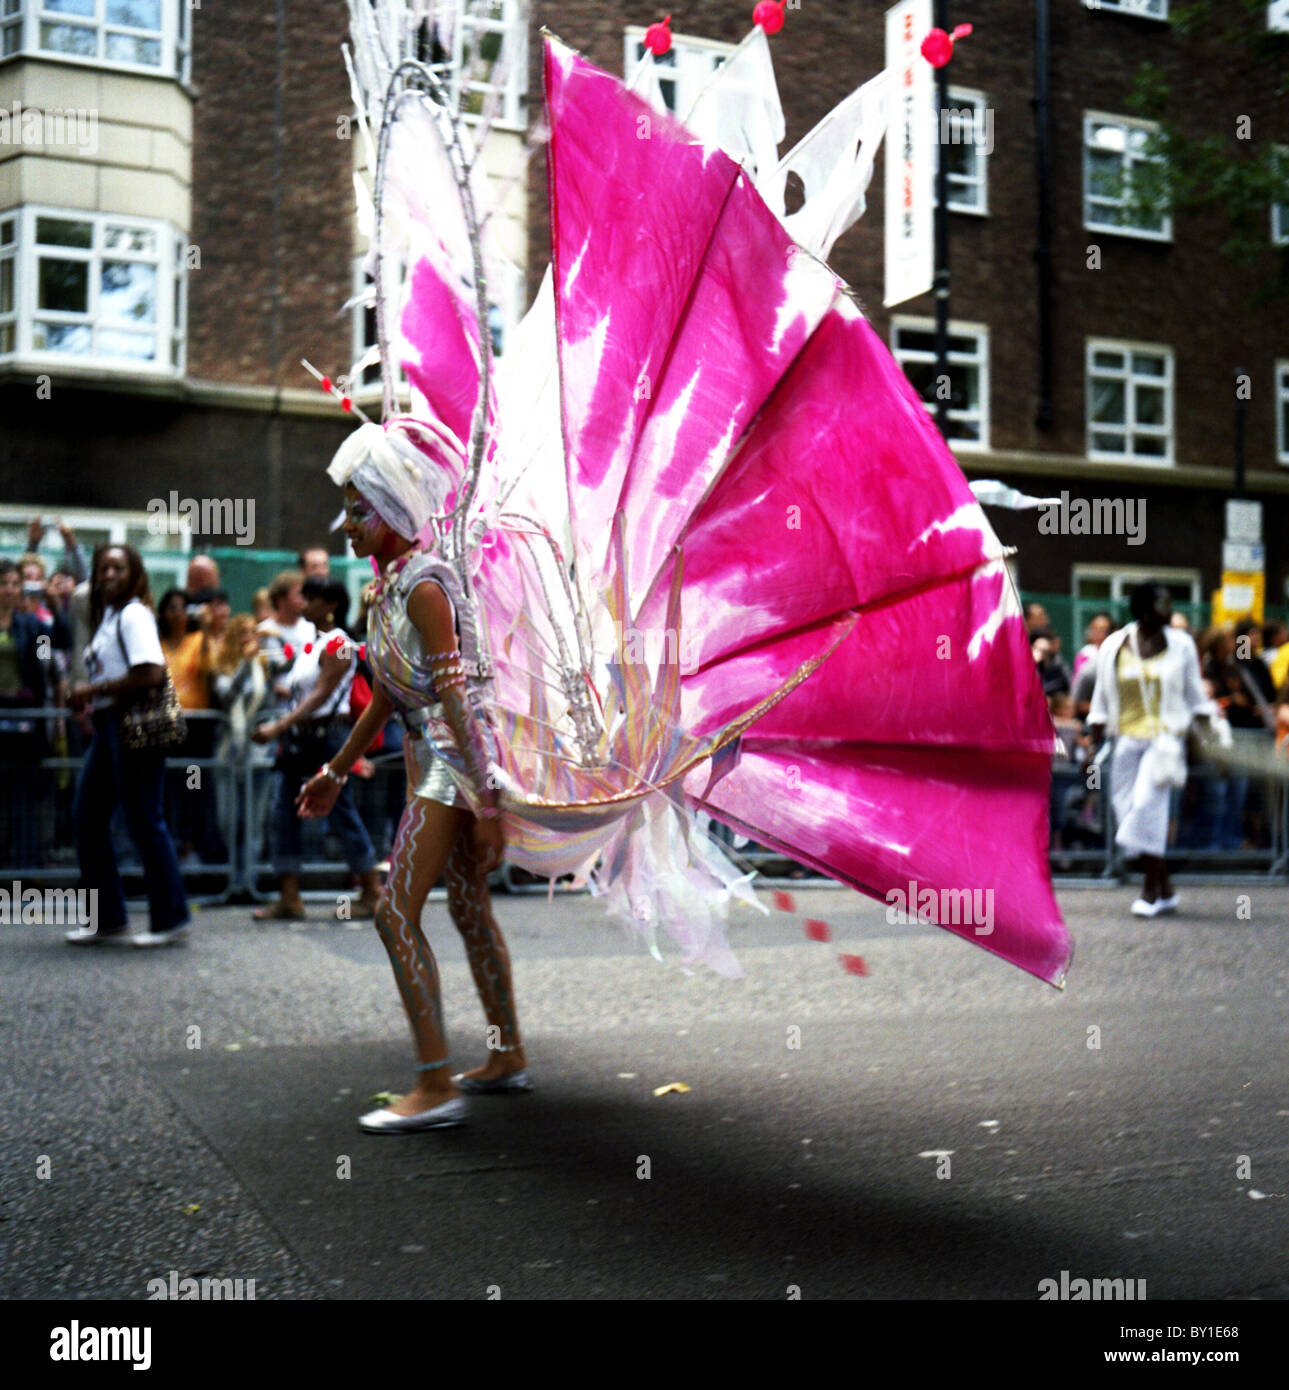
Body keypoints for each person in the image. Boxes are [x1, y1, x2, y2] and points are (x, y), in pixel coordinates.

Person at [296, 424, 521, 1133]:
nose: (350, 526)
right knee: (465, 906)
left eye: (359, 511)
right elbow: (391, 695)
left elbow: (458, 701)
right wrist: (335, 769)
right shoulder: (385, 591)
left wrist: (487, 800)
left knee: (394, 911)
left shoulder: (425, 585)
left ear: (392, 511)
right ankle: (506, 1052)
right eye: (348, 512)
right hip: (431, 759)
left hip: (454, 763)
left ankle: (433, 1084)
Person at [65, 544, 190, 946]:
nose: (108, 574)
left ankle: (171, 919)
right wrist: (94, 699)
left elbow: (151, 674)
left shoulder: (134, 614)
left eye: (117, 567)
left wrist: (91, 689)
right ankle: (108, 919)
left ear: (134, 573)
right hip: (109, 726)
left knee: (143, 820)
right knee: (88, 817)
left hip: (132, 727)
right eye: (102, 568)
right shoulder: (111, 616)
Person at [252, 577, 381, 920]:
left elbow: (321, 694)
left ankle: (372, 891)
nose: (304, 604)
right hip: (300, 738)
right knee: (283, 813)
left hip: (328, 736)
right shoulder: (313, 643)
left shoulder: (339, 643)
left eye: (312, 598)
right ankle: (289, 897)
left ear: (331, 606)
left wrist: (278, 725)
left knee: (341, 813)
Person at [1087, 580, 1209, 917]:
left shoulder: (1182, 644)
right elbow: (1101, 693)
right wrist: (1093, 740)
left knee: (1146, 809)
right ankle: (1167, 888)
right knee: (1126, 811)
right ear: (1143, 608)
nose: (1170, 610)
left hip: (1165, 740)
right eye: (1163, 603)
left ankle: (1150, 892)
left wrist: (1207, 734)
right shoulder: (1114, 644)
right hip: (1125, 740)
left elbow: (1195, 694)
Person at [0, 558, 55, 868]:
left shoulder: (32, 625)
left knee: (23, 791)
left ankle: (24, 863)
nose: (9, 590)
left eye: (13, 584)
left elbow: (45, 661)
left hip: (23, 714)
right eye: (3, 583)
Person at [1071, 612, 1113, 683]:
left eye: (1104, 630)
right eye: (1095, 629)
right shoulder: (1084, 654)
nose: (1099, 633)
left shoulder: (1115, 652)